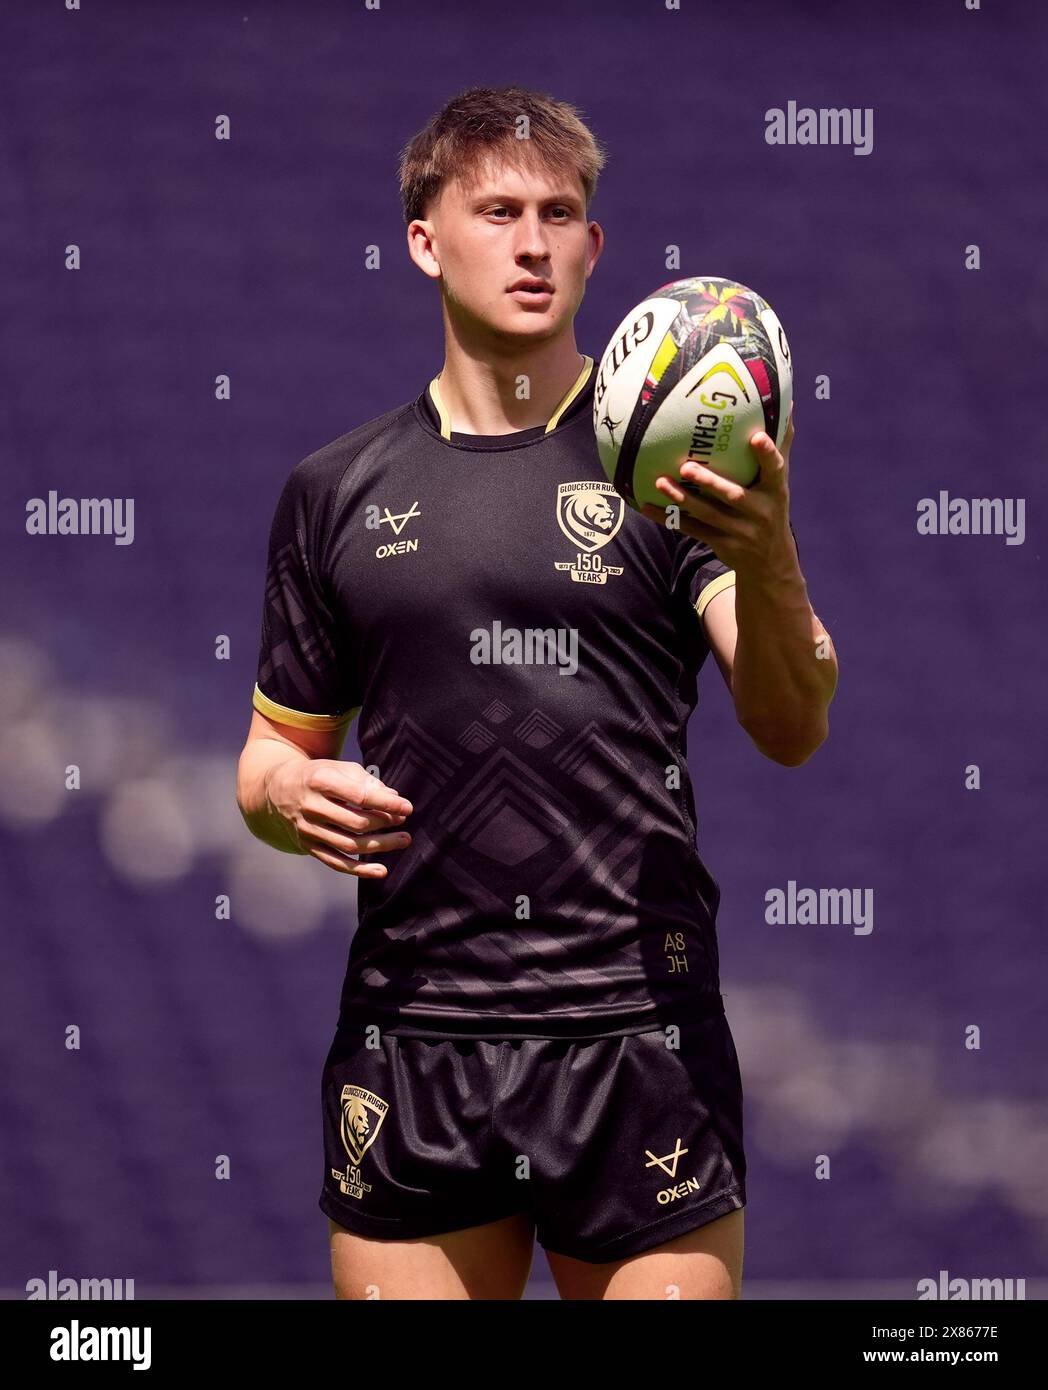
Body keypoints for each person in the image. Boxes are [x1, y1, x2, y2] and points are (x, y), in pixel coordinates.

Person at [235, 85, 838, 1301]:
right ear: (423, 239)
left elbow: (791, 722)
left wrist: (770, 557)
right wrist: (290, 788)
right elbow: (263, 761)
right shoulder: (335, 490)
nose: (531, 241)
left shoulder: (678, 469)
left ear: (594, 246)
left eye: (559, 213)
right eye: (496, 209)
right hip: (418, 1033)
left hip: (636, 1030)